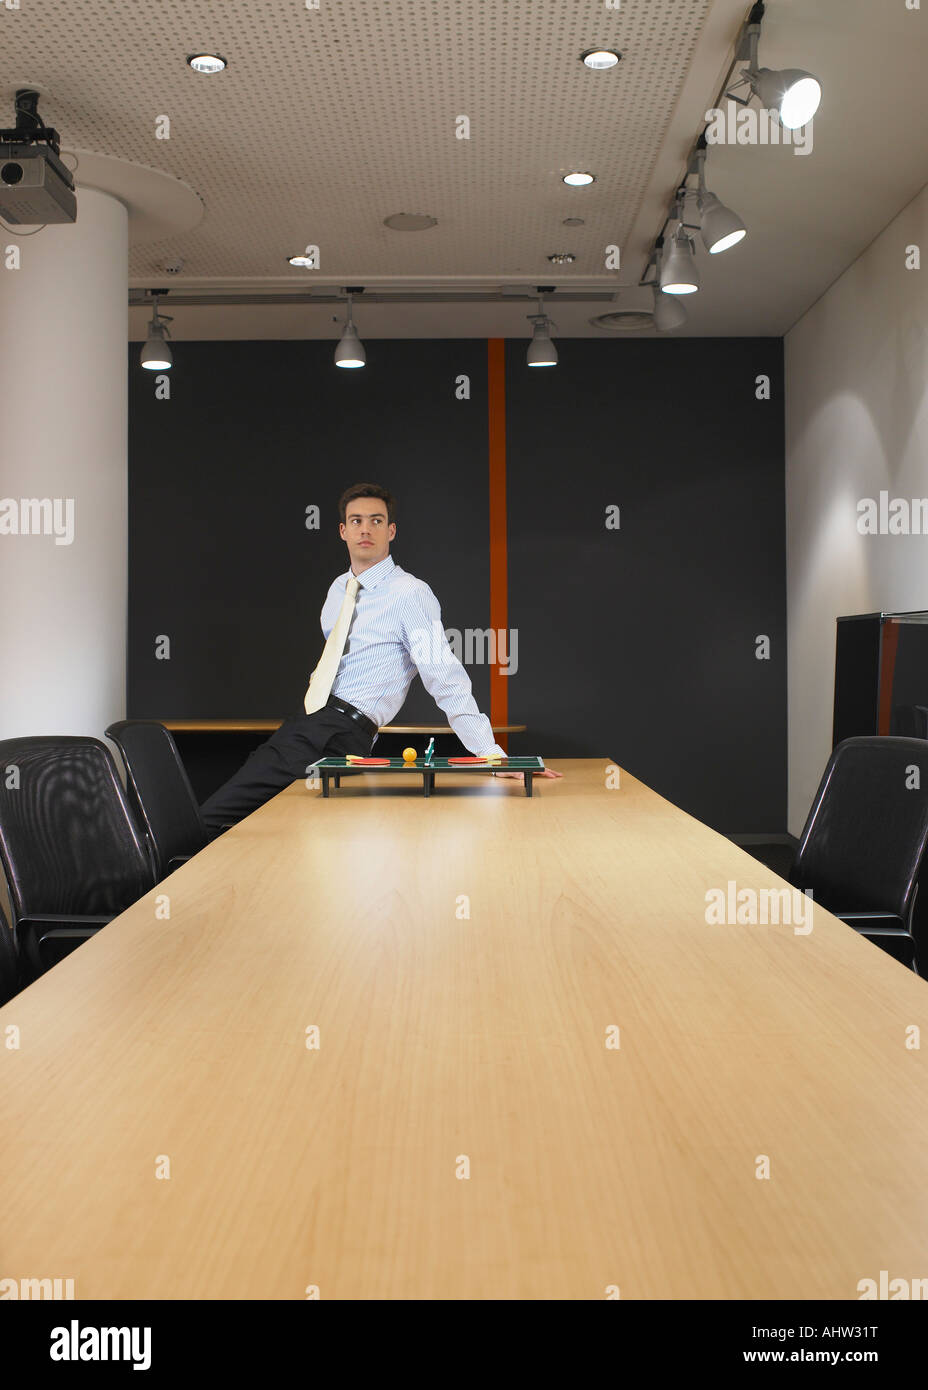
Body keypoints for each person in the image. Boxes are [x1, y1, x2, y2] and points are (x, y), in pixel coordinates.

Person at [199, 482, 562, 838]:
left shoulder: (410, 594)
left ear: (391, 531)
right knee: (254, 829)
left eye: (376, 520)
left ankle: (158, 881)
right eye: (356, 521)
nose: (365, 529)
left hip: (339, 732)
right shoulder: (338, 589)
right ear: (343, 531)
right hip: (307, 724)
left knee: (218, 819)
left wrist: (490, 753)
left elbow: (443, 675)